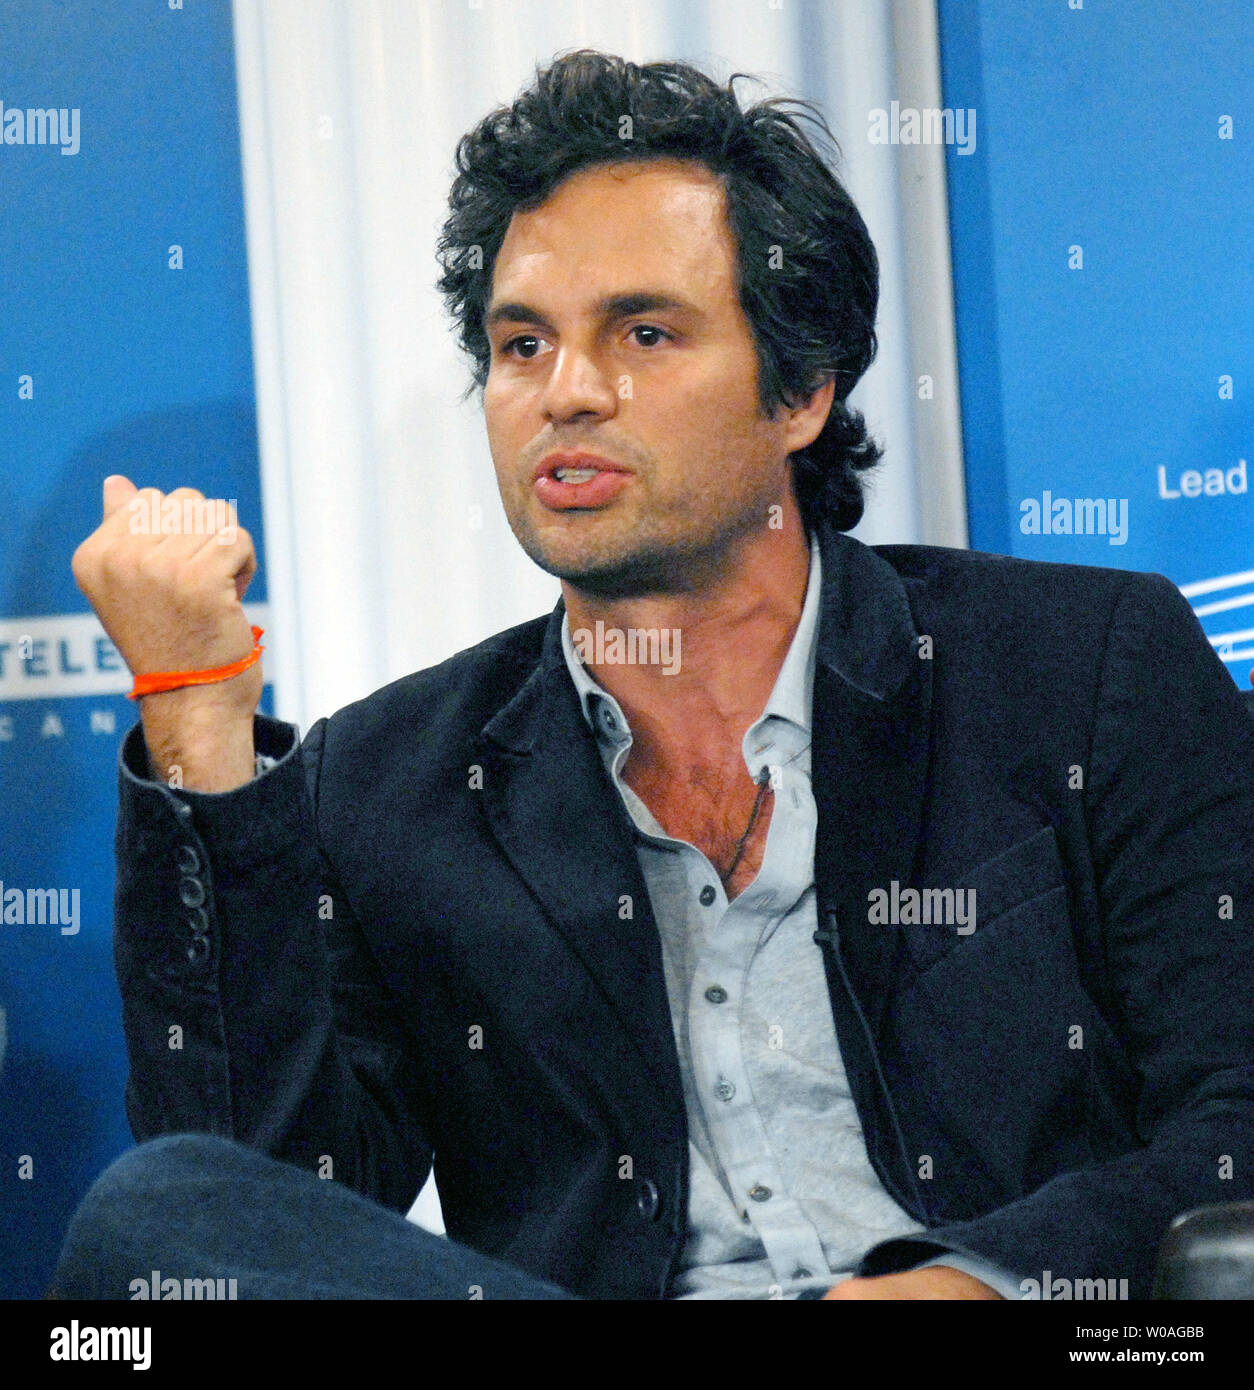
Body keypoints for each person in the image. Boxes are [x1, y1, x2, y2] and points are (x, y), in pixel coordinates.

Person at [59, 50, 1254, 1301]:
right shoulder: (394, 780)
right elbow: (266, 1211)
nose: (567, 392)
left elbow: (1234, 1118)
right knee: (159, 1215)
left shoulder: (1084, 666)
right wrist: (198, 709)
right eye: (522, 344)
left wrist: (977, 1280)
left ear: (800, 389)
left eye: (642, 331)